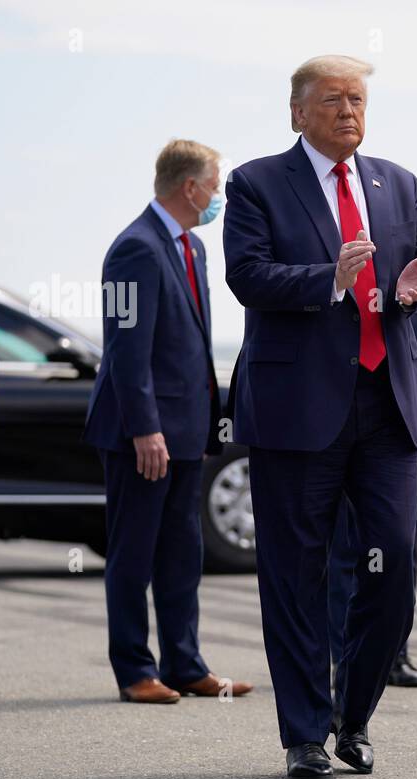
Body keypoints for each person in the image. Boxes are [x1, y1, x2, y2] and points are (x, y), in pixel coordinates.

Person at [224, 55, 417, 779]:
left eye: (358, 99)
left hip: (388, 405)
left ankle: (354, 715)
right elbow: (247, 276)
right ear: (298, 112)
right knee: (295, 575)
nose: (349, 112)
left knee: (394, 564)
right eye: (332, 100)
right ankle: (305, 735)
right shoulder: (257, 183)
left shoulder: (396, 182)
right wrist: (331, 280)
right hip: (297, 410)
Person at [84, 139, 254, 705]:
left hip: (183, 432)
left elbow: (191, 346)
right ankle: (135, 669)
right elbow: (126, 350)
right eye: (215, 184)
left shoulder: (191, 249)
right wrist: (144, 427)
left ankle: (185, 664)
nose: (218, 196)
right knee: (134, 553)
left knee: (184, 553)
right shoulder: (135, 248)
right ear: (189, 187)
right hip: (145, 435)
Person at [325, 262, 417, 693]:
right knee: (343, 548)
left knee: (400, 548)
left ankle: (393, 652)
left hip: (411, 427)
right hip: (341, 422)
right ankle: (342, 654)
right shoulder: (351, 262)